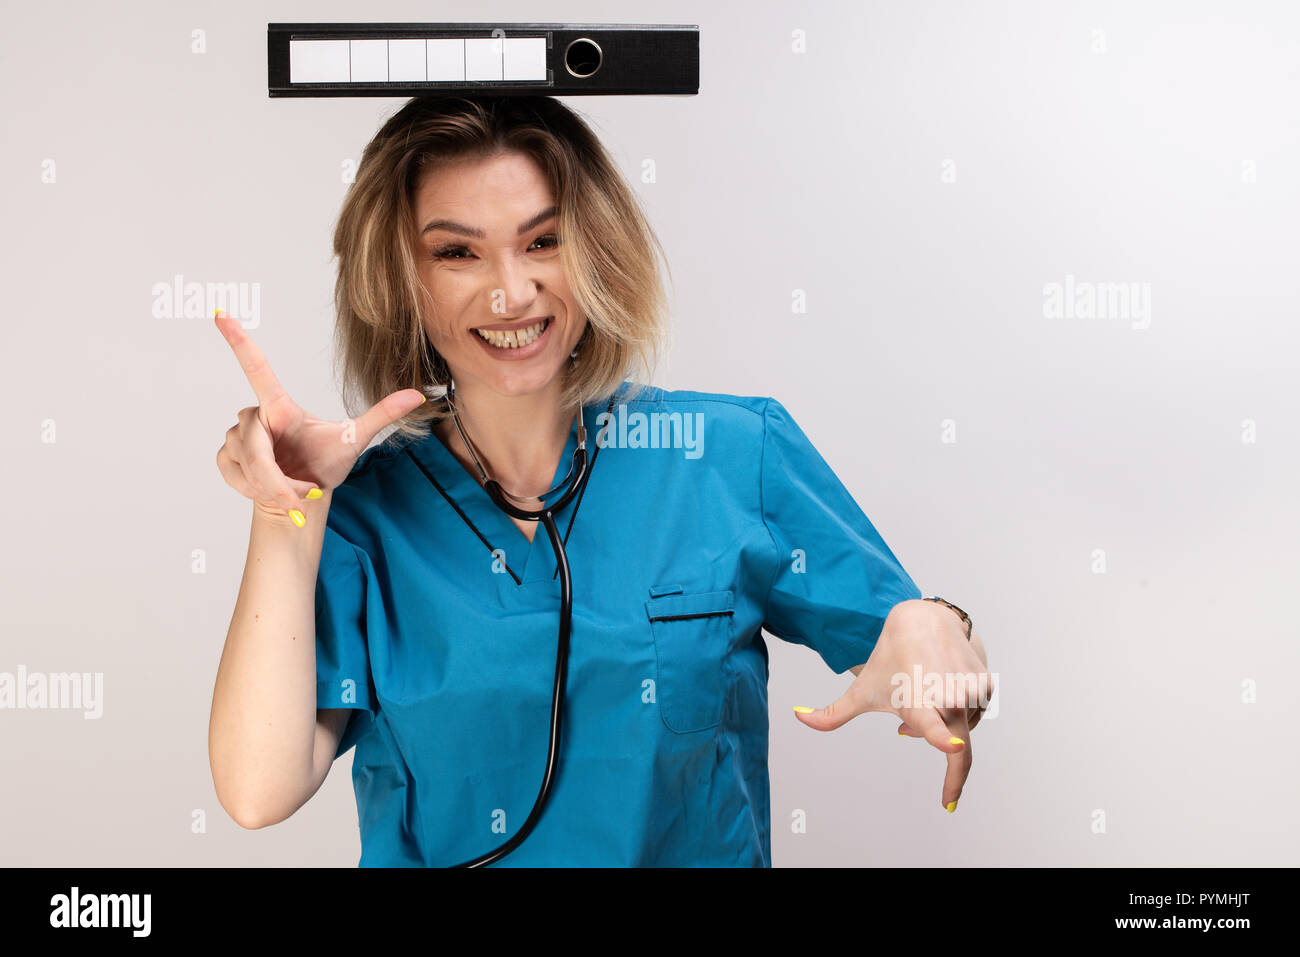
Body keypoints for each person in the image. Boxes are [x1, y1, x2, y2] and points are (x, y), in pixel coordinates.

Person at [208, 95, 992, 867]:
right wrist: (288, 515)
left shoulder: (727, 454)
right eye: (458, 252)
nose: (511, 292)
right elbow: (256, 790)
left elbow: (927, 666)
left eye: (542, 241)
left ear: (594, 251)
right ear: (401, 281)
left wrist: (939, 630)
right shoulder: (360, 515)